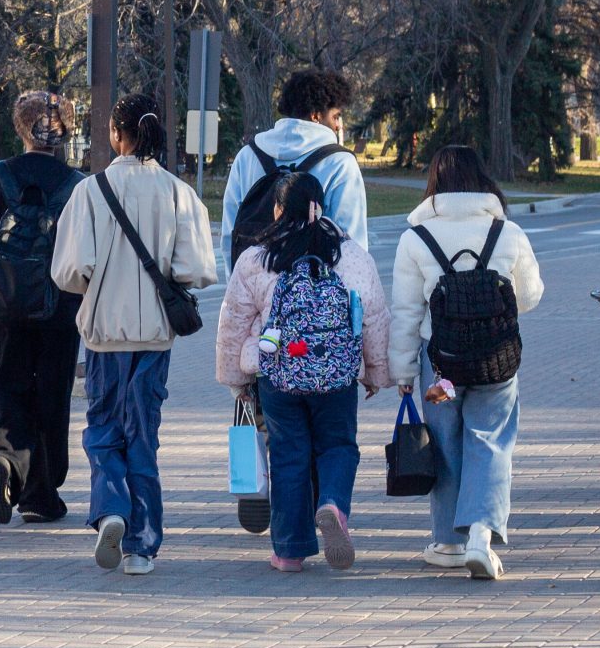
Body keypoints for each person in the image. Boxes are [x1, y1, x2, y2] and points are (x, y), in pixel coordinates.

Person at [52, 93, 215, 575]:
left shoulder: (90, 192)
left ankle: (111, 509)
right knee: (143, 433)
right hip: (156, 336)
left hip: (104, 333)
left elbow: (70, 272)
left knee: (103, 429)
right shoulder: (177, 193)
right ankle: (142, 543)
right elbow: (196, 269)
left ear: (116, 134)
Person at [216, 172, 390, 571]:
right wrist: (376, 372)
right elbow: (375, 316)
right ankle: (332, 504)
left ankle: (289, 551)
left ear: (278, 210)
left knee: (288, 454)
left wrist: (235, 379)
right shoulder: (350, 256)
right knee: (338, 446)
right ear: (321, 207)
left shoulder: (258, 258)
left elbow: (233, 325)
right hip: (337, 373)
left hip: (279, 373)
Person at [388, 144, 543, 581]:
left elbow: (406, 313)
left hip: (442, 366)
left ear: (435, 183)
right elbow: (530, 296)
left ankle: (448, 543)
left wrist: (401, 373)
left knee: (444, 442)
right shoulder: (507, 233)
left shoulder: (415, 238)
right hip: (497, 359)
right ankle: (482, 533)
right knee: (491, 439)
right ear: (483, 181)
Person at [0, 90, 84, 524]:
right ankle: (40, 494)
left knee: (4, 387)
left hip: (6, 309)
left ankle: (1, 459)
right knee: (51, 394)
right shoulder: (78, 185)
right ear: (66, 129)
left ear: (20, 126)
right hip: (60, 309)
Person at [217, 68, 369, 261]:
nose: (339, 125)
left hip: (254, 284)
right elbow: (351, 244)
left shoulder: (247, 156)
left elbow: (230, 233)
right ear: (316, 115)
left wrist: (239, 286)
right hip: (314, 288)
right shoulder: (340, 162)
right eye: (336, 116)